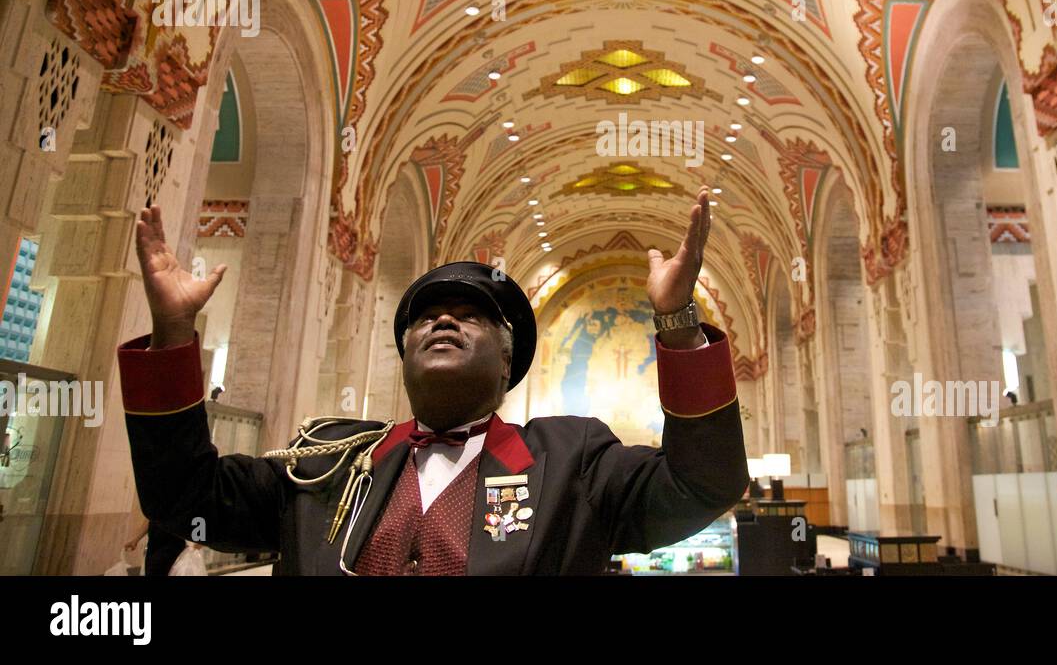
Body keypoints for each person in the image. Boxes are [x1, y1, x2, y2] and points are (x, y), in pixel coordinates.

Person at [117, 186, 748, 575]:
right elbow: (184, 500)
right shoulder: (327, 464)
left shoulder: (573, 463)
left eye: (472, 316)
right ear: (406, 354)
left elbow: (703, 484)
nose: (442, 319)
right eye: (424, 316)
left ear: (507, 363)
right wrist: (173, 336)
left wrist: (678, 325)